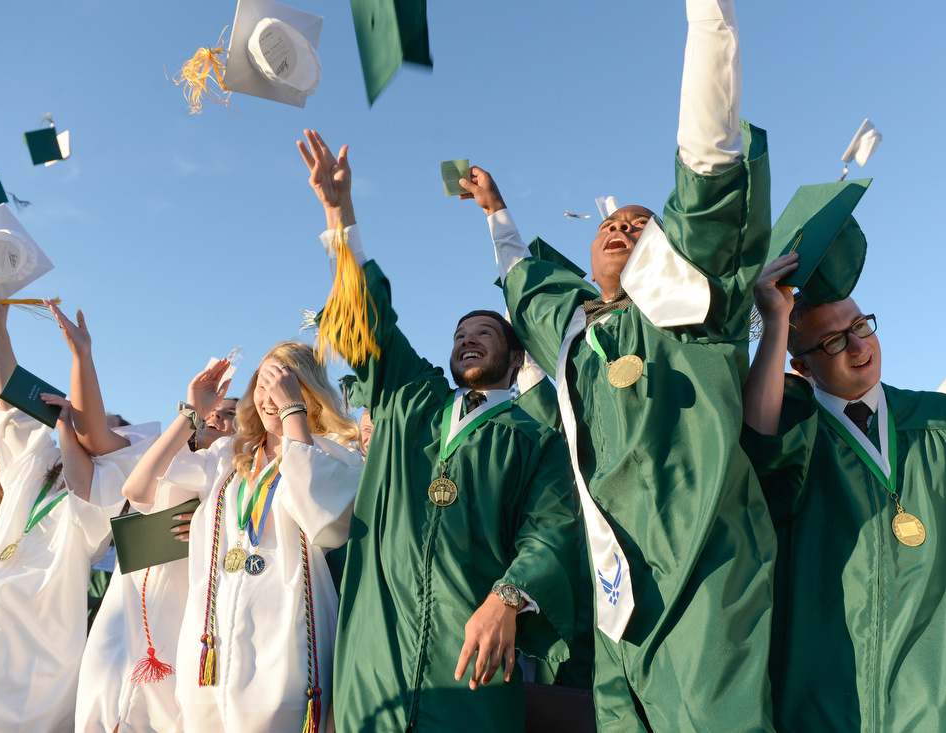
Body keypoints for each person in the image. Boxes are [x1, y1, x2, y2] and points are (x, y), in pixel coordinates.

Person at [460, 0, 777, 729]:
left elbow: (708, 165)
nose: (621, 228)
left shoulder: (690, 308)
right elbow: (523, 282)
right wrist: (495, 209)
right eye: (610, 223)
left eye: (640, 224)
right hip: (616, 600)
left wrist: (709, 20)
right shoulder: (573, 334)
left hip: (703, 582)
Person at [298, 129, 583, 732]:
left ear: (515, 355)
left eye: (485, 332)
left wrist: (509, 596)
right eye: (459, 335)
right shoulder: (412, 400)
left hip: (471, 663)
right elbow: (368, 324)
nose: (468, 339)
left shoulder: (534, 436)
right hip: (378, 656)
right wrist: (338, 215)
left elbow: (553, 529)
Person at [742, 253, 946, 731]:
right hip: (832, 700)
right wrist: (774, 323)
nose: (858, 346)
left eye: (860, 326)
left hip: (944, 702)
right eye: (833, 341)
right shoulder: (798, 435)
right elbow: (756, 446)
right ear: (801, 365)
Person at [121, 342, 362, 732]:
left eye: (283, 383)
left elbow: (317, 512)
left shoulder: (335, 456)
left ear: (308, 390)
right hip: (209, 644)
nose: (270, 396)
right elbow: (138, 488)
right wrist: (191, 412)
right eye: (263, 384)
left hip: (287, 642)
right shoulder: (228, 455)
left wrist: (292, 411)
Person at [0, 293, 154, 732]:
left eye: (105, 426)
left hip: (40, 644)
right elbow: (8, 400)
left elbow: (85, 473)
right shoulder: (33, 465)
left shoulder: (106, 491)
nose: (90, 426)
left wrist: (81, 365)